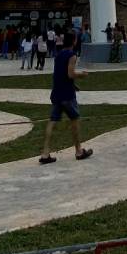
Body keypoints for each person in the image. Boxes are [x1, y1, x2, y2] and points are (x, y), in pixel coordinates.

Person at [39, 30, 92, 163]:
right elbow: (70, 74)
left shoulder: (59, 54)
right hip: (67, 95)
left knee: (52, 121)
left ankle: (45, 153)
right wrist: (82, 75)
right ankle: (79, 151)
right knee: (74, 120)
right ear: (74, 41)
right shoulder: (72, 55)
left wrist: (73, 85)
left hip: (57, 92)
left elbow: (60, 73)